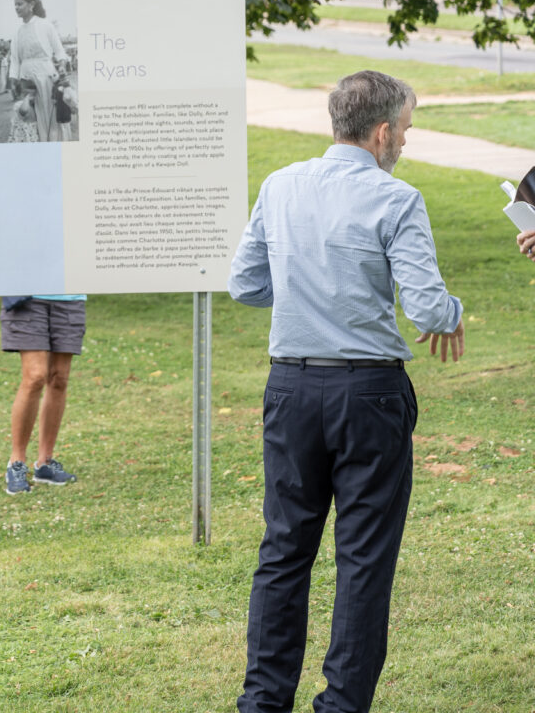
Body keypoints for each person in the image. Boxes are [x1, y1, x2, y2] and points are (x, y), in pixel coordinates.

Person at [229, 70, 464, 713]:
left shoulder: (279, 186)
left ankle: (264, 702)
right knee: (362, 561)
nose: (407, 143)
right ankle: (340, 705)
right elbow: (427, 307)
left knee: (283, 551)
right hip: (370, 395)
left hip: (292, 389)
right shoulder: (396, 199)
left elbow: (245, 285)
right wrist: (453, 312)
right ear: (383, 131)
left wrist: (309, 291)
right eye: (408, 131)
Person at [0, 295, 85, 494]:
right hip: (27, 296)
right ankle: (17, 463)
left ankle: (45, 463)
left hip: (70, 297)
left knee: (59, 378)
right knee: (35, 376)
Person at [8, 0, 69, 142]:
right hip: (26, 78)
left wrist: (61, 66)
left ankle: (52, 141)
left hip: (45, 74)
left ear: (31, 4)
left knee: (49, 113)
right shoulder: (17, 32)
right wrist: (13, 80)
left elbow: (59, 51)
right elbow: (15, 59)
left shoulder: (45, 25)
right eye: (15, 5)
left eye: (19, 4)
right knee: (29, 114)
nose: (16, 8)